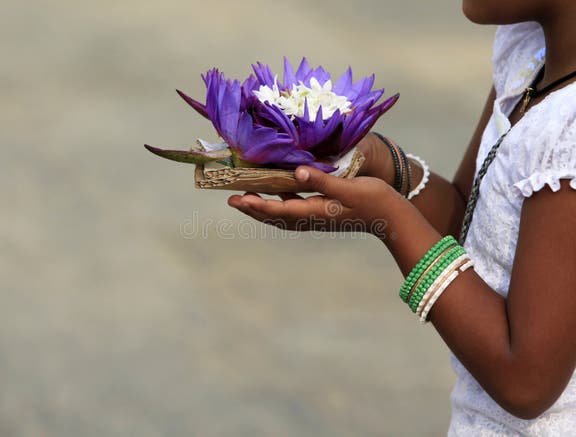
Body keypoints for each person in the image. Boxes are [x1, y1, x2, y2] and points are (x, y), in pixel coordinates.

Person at [228, 1, 576, 435]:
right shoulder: (531, 55)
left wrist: (390, 219)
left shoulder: (569, 132)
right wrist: (382, 163)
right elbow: (469, 231)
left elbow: (527, 381)